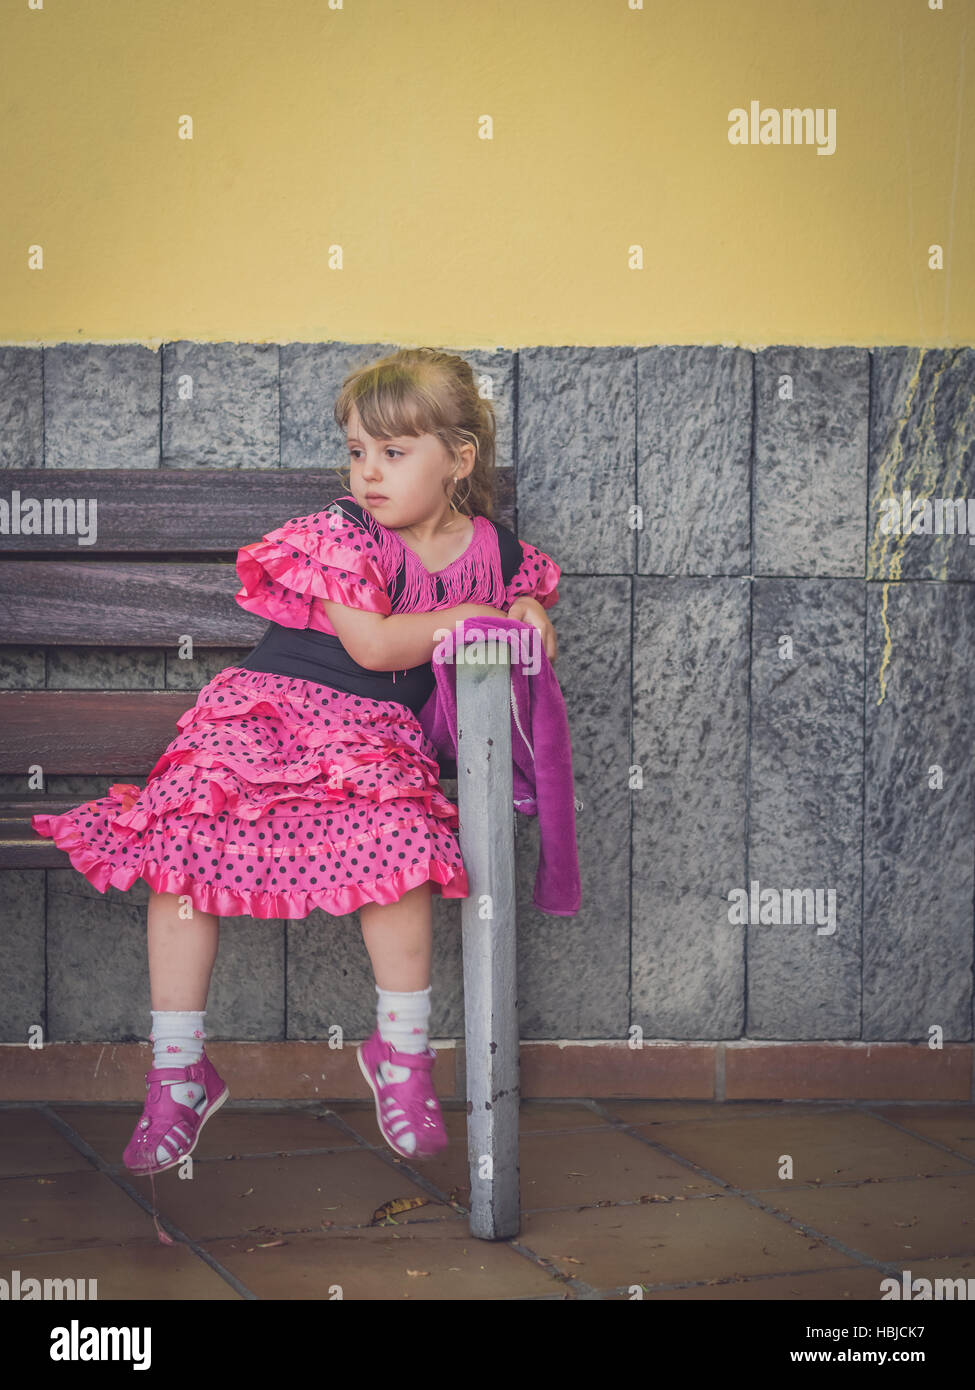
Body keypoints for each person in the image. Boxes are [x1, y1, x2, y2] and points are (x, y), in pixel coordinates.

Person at [30, 347, 562, 1176]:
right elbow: (378, 645)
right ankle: (178, 1072)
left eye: (393, 453)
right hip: (266, 716)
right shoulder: (341, 535)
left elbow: (527, 614)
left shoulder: (494, 554)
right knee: (183, 843)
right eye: (356, 452)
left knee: (405, 845)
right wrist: (480, 615)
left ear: (458, 459)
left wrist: (521, 606)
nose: (368, 474)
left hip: (371, 739)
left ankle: (403, 1055)